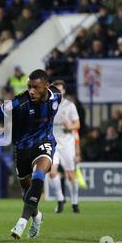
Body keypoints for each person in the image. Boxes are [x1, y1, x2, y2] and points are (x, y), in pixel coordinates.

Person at [0, 69, 61, 239]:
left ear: (47, 86)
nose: (31, 91)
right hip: (22, 148)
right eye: (29, 87)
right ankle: (37, 216)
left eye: (36, 87)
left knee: (40, 175)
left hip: (44, 142)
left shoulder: (56, 96)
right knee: (27, 191)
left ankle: (21, 222)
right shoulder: (19, 102)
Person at [47, 80, 80, 213]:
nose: (58, 92)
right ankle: (60, 199)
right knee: (52, 172)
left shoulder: (69, 106)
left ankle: (75, 202)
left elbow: (77, 125)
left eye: (60, 90)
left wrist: (69, 126)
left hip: (67, 143)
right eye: (55, 90)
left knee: (70, 175)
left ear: (64, 91)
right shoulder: (47, 105)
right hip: (52, 143)